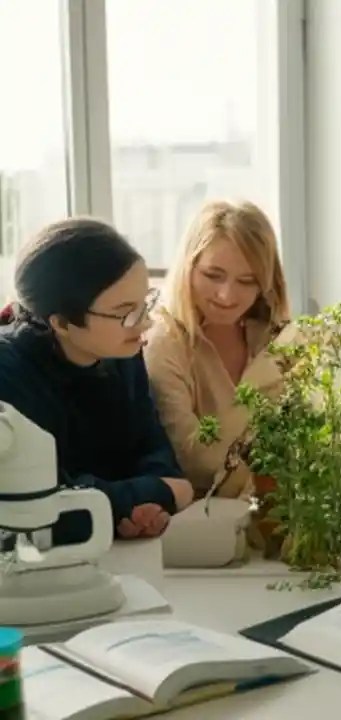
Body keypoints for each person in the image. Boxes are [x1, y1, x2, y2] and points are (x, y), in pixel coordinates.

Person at [0, 219, 194, 543]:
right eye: (125, 312)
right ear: (61, 323)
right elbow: (43, 509)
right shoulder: (9, 373)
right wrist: (154, 493)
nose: (144, 323)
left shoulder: (122, 349)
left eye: (145, 304)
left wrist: (141, 504)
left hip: (110, 556)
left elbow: (155, 453)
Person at [145, 200, 291, 498]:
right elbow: (195, 460)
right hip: (198, 521)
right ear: (189, 267)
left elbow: (303, 447)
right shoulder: (166, 340)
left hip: (273, 515)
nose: (227, 295)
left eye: (247, 281)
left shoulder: (273, 336)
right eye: (213, 275)